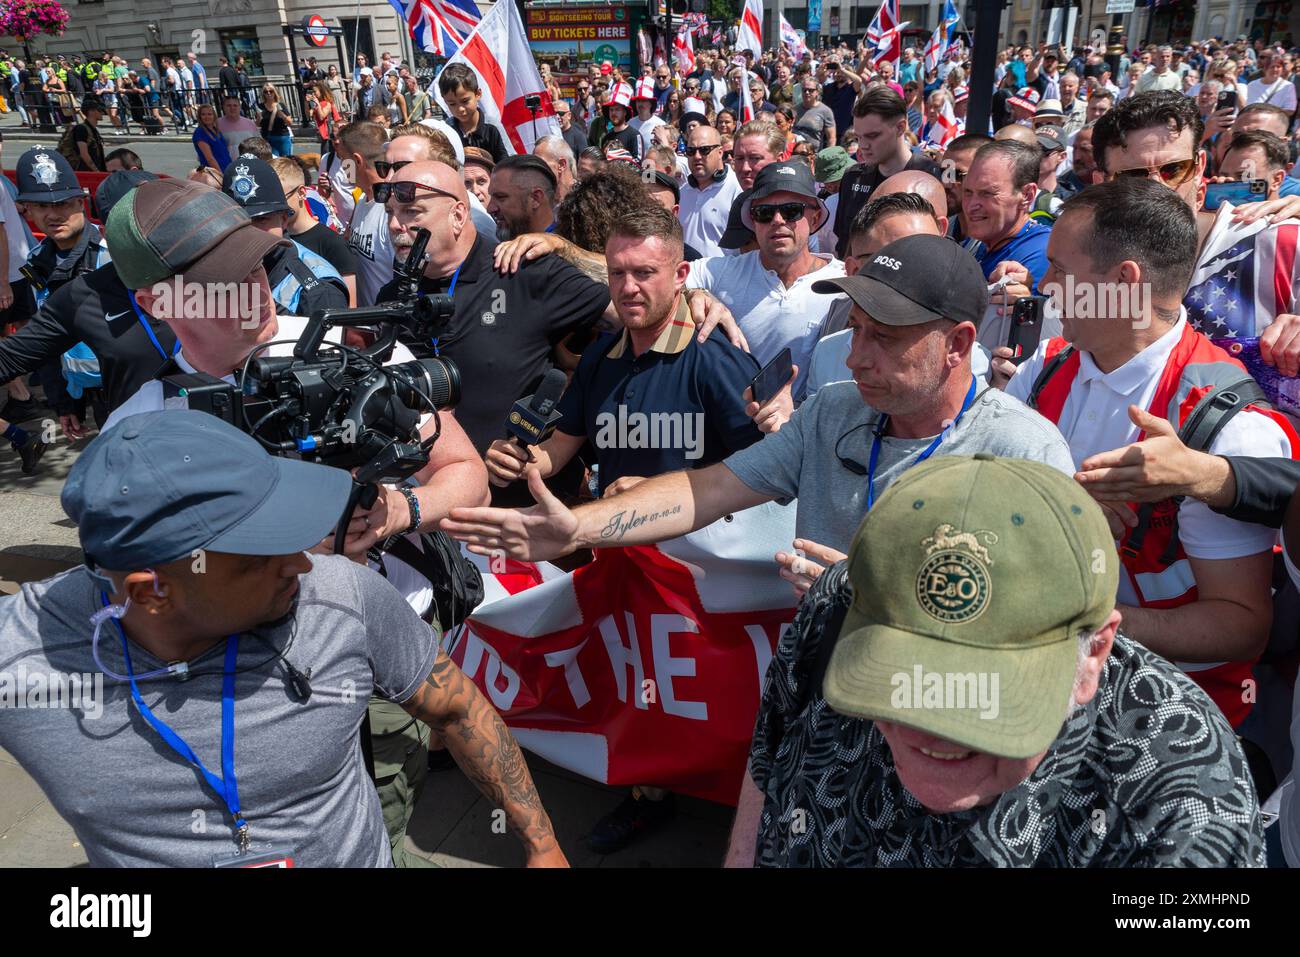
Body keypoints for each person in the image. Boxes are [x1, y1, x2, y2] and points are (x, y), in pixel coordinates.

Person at [0, 408, 564, 868]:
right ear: (152, 592)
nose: (300, 563)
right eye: (261, 557)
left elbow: (460, 712)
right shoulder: (20, 663)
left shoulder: (345, 595)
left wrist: (542, 845)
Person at [441, 234, 1075, 600]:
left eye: (883, 338)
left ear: (959, 344)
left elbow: (1045, 616)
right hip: (818, 697)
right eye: (854, 330)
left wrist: (879, 596)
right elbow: (709, 488)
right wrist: (577, 527)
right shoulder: (832, 412)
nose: (854, 357)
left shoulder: (1023, 452)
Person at [727, 454, 1265, 867]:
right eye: (897, 675)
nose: (931, 725)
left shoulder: (1184, 803)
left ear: (1094, 653)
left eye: (992, 694)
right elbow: (770, 755)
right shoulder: (842, 605)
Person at [483, 206, 774, 851]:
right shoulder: (600, 360)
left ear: (680, 273)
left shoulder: (711, 356)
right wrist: (525, 460)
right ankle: (647, 793)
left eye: (645, 272)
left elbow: (761, 469)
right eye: (617, 273)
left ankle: (728, 800)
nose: (629, 287)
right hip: (618, 563)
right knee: (639, 683)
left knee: (699, 693)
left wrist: (656, 494)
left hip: (696, 568)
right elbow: (563, 445)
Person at [998, 178, 1296, 731]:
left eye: (1061, 270)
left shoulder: (1226, 427)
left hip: (1170, 726)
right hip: (1043, 695)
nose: (1044, 284)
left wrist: (1090, 626)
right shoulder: (1049, 365)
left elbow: (1240, 625)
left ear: (1123, 283)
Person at [0, 171, 175, 422]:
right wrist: (64, 402)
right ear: (106, 231)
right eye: (134, 225)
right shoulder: (81, 293)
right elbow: (14, 355)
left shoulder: (212, 272)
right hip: (134, 431)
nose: (151, 234)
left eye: (160, 218)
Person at [686, 162, 843, 399]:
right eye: (765, 213)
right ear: (753, 220)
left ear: (816, 217)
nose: (778, 220)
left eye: (792, 211)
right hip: (736, 424)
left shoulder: (842, 283)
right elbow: (664, 278)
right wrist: (695, 293)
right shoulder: (724, 271)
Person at [14, 147, 112, 440]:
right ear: (26, 210)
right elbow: (45, 342)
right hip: (84, 391)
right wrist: (63, 403)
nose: (54, 215)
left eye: (64, 203)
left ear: (82, 203)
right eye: (41, 206)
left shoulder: (109, 254)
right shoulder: (36, 263)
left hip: (127, 389)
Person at [832, 87, 941, 259]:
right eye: (859, 137)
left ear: (900, 128)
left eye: (872, 136)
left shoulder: (931, 176)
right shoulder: (852, 177)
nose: (863, 145)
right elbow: (844, 242)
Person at [679, 124, 743, 259]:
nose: (697, 156)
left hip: (724, 277)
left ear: (720, 152)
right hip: (688, 276)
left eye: (704, 150)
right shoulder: (682, 192)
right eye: (691, 150)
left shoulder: (737, 189)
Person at [439, 63, 507, 163]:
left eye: (465, 101)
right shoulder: (446, 130)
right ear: (445, 101)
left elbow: (510, 163)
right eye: (452, 104)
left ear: (478, 94)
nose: (460, 109)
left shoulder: (492, 127)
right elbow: (438, 162)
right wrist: (458, 155)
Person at [487, 154, 558, 240]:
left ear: (535, 198)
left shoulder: (567, 249)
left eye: (500, 197)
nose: (490, 209)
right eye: (491, 197)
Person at [794, 78, 837, 151]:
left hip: (814, 155)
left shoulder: (825, 111)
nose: (807, 93)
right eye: (804, 90)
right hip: (795, 154)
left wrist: (827, 156)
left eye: (810, 90)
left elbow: (831, 138)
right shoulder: (795, 109)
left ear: (817, 92)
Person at [533, 134, 577, 204]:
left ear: (561, 165)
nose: (535, 170)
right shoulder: (539, 203)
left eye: (540, 163)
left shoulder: (586, 199)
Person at [192, 103, 231, 173]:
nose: (206, 117)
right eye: (203, 114)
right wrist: (220, 175)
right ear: (200, 117)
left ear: (214, 116)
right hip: (214, 172)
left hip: (227, 168)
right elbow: (210, 159)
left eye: (209, 114)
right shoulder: (200, 133)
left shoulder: (216, 130)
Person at [259, 85, 294, 158]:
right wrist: (258, 119)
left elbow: (290, 123)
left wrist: (283, 116)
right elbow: (258, 124)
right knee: (273, 162)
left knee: (285, 162)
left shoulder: (280, 105)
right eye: (266, 92)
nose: (268, 93)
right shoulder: (260, 107)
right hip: (268, 138)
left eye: (271, 91)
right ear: (263, 94)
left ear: (274, 92)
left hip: (282, 137)